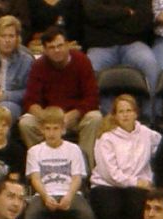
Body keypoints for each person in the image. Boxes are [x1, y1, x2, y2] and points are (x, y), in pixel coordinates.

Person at [87, 94, 162, 219]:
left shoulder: (146, 133)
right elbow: (110, 174)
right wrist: (136, 182)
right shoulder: (106, 138)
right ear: (115, 115)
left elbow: (162, 147)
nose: (126, 115)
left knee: (138, 208)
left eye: (129, 110)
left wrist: (148, 179)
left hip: (136, 186)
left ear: (136, 113)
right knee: (109, 213)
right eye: (121, 111)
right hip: (106, 185)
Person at [24, 106, 97, 219]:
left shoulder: (74, 149)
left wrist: (69, 197)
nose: (51, 133)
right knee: (30, 218)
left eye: (55, 128)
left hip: (71, 194)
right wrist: (46, 197)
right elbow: (35, 178)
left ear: (63, 129)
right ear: (41, 130)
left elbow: (77, 178)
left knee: (87, 216)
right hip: (43, 194)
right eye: (47, 128)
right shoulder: (34, 151)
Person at [17, 26, 103, 170]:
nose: (57, 50)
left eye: (60, 46)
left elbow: (92, 98)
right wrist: (44, 116)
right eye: (51, 47)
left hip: (75, 116)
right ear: (44, 50)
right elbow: (30, 100)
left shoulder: (82, 61)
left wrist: (72, 115)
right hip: (48, 117)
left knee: (95, 118)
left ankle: (84, 169)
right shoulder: (39, 66)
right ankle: (42, 165)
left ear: (68, 45)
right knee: (25, 123)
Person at [83, 0, 159, 92]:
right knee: (88, 69)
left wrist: (107, 23)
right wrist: (126, 12)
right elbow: (93, 13)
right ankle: (99, 106)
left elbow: (143, 20)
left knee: (150, 64)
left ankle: (153, 107)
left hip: (133, 44)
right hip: (100, 47)